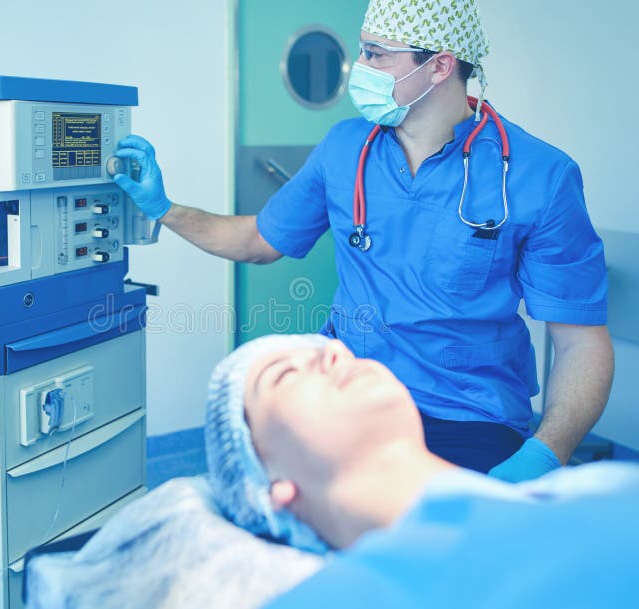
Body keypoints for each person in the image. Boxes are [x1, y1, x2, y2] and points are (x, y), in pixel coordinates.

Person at [114, 0, 615, 481]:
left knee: (429, 530)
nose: (360, 67)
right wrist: (165, 209)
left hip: (466, 415)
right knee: (274, 503)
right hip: (347, 394)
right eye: (362, 50)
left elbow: (580, 343)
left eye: (376, 54)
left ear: (440, 66)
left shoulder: (540, 176)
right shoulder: (346, 147)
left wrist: (546, 453)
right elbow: (256, 240)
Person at [203, 333, 638, 608]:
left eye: (326, 348)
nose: (333, 351)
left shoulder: (607, 489)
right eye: (283, 374)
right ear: (269, 487)